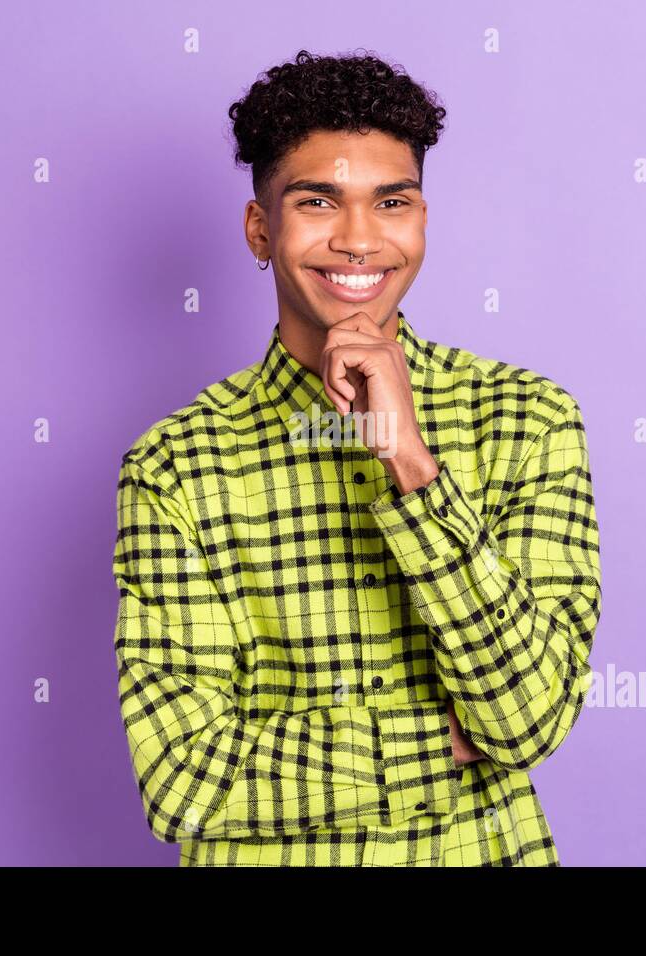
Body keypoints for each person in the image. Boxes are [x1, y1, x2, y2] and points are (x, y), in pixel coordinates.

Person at [112, 49, 601, 866]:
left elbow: (527, 719)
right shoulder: (174, 468)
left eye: (392, 202)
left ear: (422, 219)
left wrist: (413, 466)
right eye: (317, 202)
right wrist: (431, 742)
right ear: (260, 229)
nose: (359, 240)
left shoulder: (528, 420)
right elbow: (182, 781)